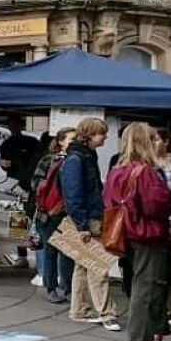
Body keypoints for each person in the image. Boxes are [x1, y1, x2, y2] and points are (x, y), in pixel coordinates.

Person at [105, 123, 171, 341]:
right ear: (144, 142)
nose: (159, 143)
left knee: (141, 284)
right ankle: (140, 340)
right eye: (154, 138)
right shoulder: (145, 172)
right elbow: (158, 205)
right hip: (148, 234)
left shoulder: (117, 169)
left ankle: (145, 336)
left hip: (128, 233)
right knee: (148, 286)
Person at [60, 117, 120, 330]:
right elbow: (73, 195)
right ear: (91, 135)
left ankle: (80, 310)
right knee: (98, 266)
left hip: (87, 217)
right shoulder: (78, 159)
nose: (105, 137)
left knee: (84, 266)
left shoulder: (81, 156)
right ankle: (107, 313)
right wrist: (82, 225)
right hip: (88, 219)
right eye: (102, 133)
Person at [31, 127, 76, 305]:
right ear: (61, 141)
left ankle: (62, 288)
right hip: (51, 213)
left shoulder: (56, 160)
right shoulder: (50, 161)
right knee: (52, 252)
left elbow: (36, 184)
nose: (74, 142)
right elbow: (36, 184)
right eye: (71, 139)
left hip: (55, 213)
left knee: (66, 252)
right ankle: (53, 287)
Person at [0, 114, 42, 195]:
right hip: (13, 181)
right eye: (11, 125)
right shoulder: (6, 144)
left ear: (21, 125)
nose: (14, 127)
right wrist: (3, 165)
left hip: (31, 180)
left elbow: (39, 159)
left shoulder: (32, 141)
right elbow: (4, 162)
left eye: (16, 124)